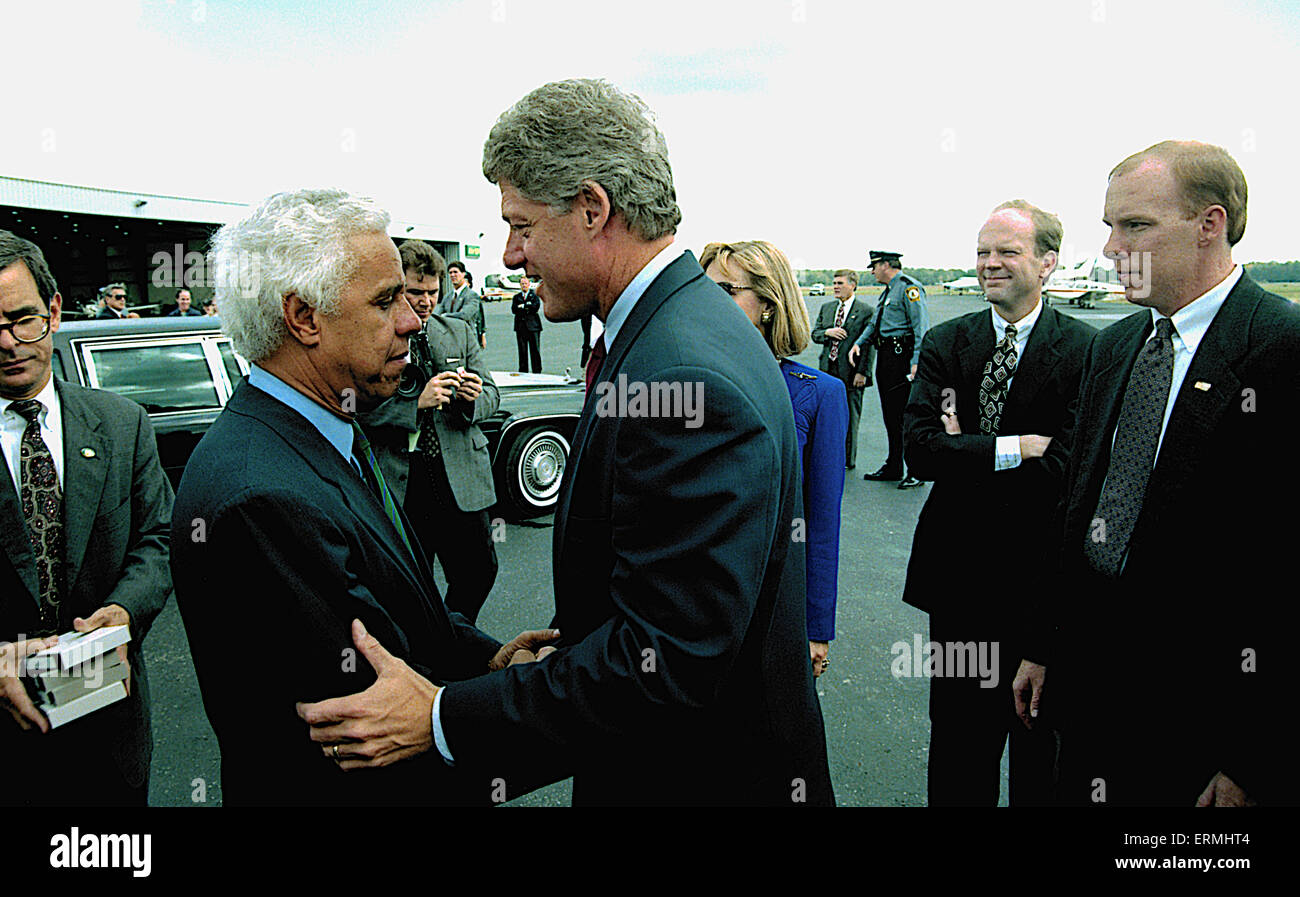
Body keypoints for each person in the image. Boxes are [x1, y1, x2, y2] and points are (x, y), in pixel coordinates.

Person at [299, 79, 835, 806]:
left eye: (520, 224)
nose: (512, 254)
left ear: (592, 209)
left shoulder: (683, 372)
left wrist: (439, 716)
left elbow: (666, 661)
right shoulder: (671, 331)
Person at [170, 189, 551, 806]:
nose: (412, 319)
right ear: (304, 318)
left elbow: (402, 615)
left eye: (407, 294)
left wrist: (490, 662)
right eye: (384, 300)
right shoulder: (263, 497)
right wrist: (571, 715)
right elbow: (383, 716)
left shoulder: (328, 429)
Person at [1015, 141, 1300, 807]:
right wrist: (1042, 643)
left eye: (1135, 225)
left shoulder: (1281, 350)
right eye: (1110, 225)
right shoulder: (1116, 346)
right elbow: (1077, 512)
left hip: (1201, 728)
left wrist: (1256, 755)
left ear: (1211, 223)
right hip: (1089, 698)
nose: (1113, 247)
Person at [902, 201, 1095, 806]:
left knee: (1040, 753)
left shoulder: (1090, 352)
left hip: (1043, 588)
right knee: (959, 749)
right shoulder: (945, 342)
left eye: (1007, 252)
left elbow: (1067, 471)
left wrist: (968, 450)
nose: (989, 264)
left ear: (1047, 262)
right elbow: (920, 451)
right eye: (983, 252)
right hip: (959, 585)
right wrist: (1017, 447)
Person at [0, 230, 173, 806]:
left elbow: (160, 539)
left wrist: (123, 610)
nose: (7, 343)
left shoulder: (122, 424)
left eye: (23, 319)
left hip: (108, 723)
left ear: (52, 311)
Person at [700, 240, 848, 680]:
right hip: (691, 604)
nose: (711, 303)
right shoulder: (683, 385)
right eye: (704, 290)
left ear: (768, 305)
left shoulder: (819, 394)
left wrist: (816, 627)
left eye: (727, 291)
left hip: (770, 603)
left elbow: (822, 522)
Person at [361, 239, 501, 624]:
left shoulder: (458, 332)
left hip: (460, 478)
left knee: (479, 571)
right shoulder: (373, 337)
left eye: (433, 292)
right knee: (408, 582)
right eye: (415, 292)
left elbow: (493, 394)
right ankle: (429, 652)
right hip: (406, 481)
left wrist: (472, 399)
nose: (425, 301)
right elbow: (354, 409)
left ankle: (455, 634)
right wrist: (414, 404)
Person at [848, 251, 929, 488]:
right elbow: (875, 324)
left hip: (901, 357)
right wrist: (859, 343)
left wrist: (915, 361)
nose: (871, 271)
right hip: (886, 357)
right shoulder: (888, 292)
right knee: (891, 416)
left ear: (886, 265)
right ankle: (894, 466)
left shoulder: (908, 288)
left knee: (905, 415)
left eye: (874, 266)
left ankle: (916, 470)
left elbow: (920, 327)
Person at [812, 268, 875, 469]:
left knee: (850, 416)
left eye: (840, 283)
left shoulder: (865, 311)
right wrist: (828, 332)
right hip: (827, 370)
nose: (835, 287)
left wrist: (862, 372)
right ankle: (827, 455)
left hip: (851, 372)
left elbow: (869, 344)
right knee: (826, 415)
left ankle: (847, 460)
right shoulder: (827, 308)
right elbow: (815, 334)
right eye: (834, 283)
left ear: (853, 285)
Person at [442, 261, 483, 343]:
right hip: (450, 339)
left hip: (466, 340)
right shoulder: (447, 297)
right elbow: (438, 316)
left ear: (463, 274)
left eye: (455, 272)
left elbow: (465, 315)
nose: (452, 275)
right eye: (450, 273)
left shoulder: (472, 295)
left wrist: (445, 315)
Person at [511, 273, 544, 372]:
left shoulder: (534, 295)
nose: (524, 285)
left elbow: (535, 308)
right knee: (522, 351)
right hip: (521, 327)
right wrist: (526, 306)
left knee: (535, 351)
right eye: (522, 284)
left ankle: (537, 371)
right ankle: (523, 371)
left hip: (533, 327)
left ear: (529, 284)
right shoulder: (516, 297)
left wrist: (523, 306)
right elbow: (514, 310)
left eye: (525, 283)